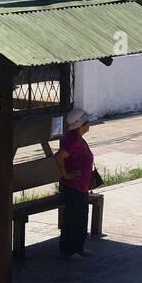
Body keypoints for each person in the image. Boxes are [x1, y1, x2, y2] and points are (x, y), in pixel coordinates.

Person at [55, 108, 94, 257]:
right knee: (73, 218)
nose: (89, 124)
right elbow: (59, 157)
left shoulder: (76, 138)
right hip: (74, 186)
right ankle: (68, 250)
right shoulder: (72, 140)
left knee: (81, 216)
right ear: (81, 125)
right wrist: (66, 174)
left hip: (81, 186)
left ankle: (78, 247)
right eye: (87, 121)